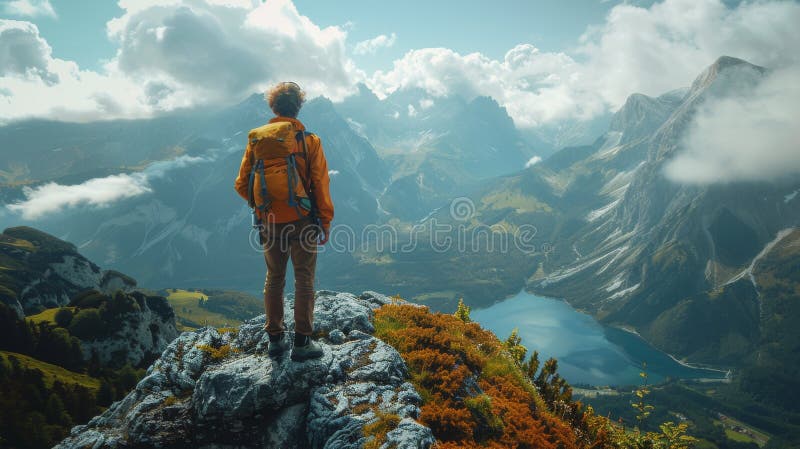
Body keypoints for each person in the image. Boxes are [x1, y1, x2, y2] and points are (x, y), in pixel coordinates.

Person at [234, 82, 334, 361]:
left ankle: (275, 339)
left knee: (274, 278)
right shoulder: (309, 140)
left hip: (270, 221)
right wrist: (324, 220)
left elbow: (242, 184)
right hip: (303, 220)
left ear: (273, 107)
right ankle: (302, 343)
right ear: (298, 107)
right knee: (304, 279)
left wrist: (264, 208)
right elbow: (320, 184)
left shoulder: (257, 141)